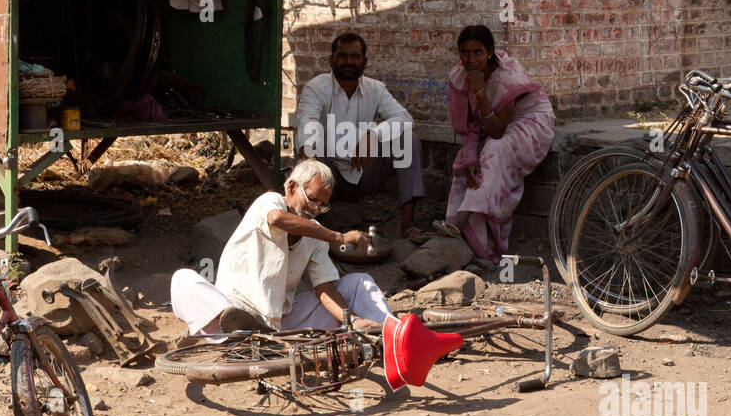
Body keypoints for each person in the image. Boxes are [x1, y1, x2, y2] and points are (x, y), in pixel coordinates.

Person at [170, 159, 394, 336]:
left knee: (358, 282)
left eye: (323, 205)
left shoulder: (315, 233)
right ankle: (238, 335)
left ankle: (392, 334)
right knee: (183, 280)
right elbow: (276, 218)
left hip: (279, 322)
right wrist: (339, 237)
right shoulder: (270, 201)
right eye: (313, 199)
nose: (316, 208)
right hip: (233, 309)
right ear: (293, 187)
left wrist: (352, 319)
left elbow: (324, 288)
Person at [296, 32, 427, 240]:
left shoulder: (376, 89)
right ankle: (312, 225)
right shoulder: (317, 88)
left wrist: (372, 135)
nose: (349, 61)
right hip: (328, 175)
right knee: (312, 150)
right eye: (342, 56)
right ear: (331, 59)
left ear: (364, 62)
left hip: (364, 171)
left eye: (355, 56)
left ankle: (408, 223)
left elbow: (405, 118)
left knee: (408, 140)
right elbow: (307, 124)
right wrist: (310, 161)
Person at [442, 24, 555, 264]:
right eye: (464, 53)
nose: (470, 59)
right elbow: (467, 128)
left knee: (495, 150)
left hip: (530, 121)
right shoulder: (458, 78)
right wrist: (471, 157)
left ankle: (467, 227)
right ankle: (463, 234)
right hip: (491, 124)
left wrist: (480, 92)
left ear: (490, 52)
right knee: (465, 162)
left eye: (478, 52)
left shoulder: (508, 76)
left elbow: (497, 130)